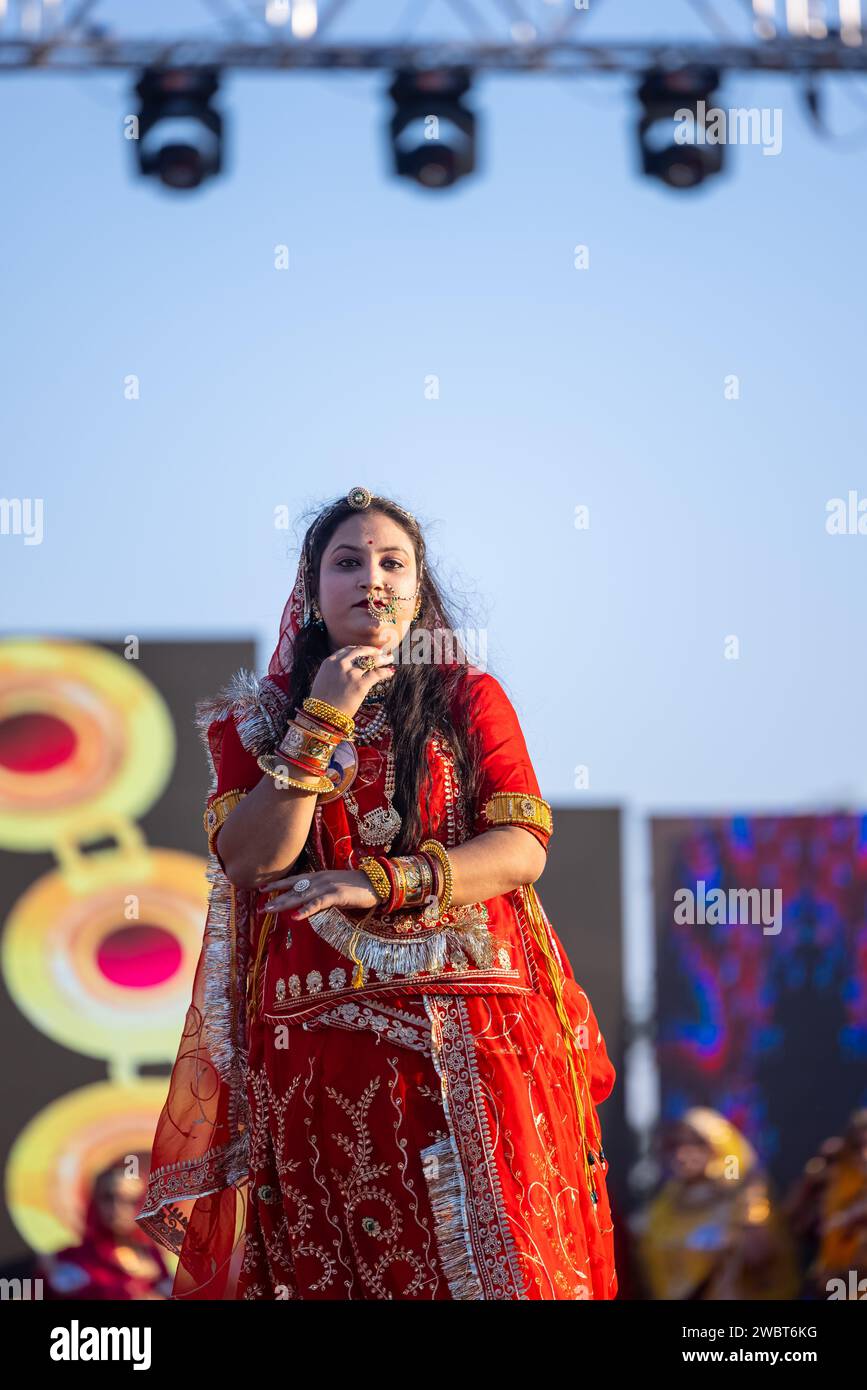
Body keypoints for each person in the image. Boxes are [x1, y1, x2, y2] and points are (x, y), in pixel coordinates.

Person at [136, 486, 617, 1301]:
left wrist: (379, 881)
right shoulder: (250, 725)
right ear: (311, 590)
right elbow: (253, 859)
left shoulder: (468, 700)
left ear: (419, 588)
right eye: (348, 562)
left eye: (394, 562)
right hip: (319, 1048)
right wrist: (322, 714)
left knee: (513, 1269)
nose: (373, 579)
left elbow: (521, 849)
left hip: (478, 1030)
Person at [635, 1107, 798, 1300]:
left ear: (720, 1146)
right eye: (675, 1144)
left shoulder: (745, 1195)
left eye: (698, 1143)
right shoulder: (665, 1205)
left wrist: (743, 1216)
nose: (683, 1153)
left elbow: (760, 1255)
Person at [41, 1159, 171, 1301]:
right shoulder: (66, 1259)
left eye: (130, 1201)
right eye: (109, 1198)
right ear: (94, 1201)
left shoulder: (153, 1257)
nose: (118, 1208)